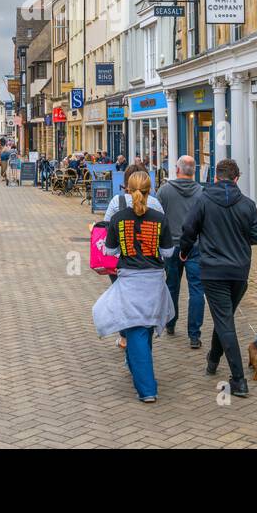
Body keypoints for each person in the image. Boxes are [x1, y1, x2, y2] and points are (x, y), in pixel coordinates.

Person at [179, 158, 257, 398]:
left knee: (225, 321)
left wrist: (184, 252)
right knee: (224, 316)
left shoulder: (203, 200)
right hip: (239, 271)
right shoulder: (247, 205)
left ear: (216, 177)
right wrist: (239, 236)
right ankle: (213, 360)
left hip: (213, 270)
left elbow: (188, 230)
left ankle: (239, 380)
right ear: (236, 178)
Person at [92, 170, 174, 403]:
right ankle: (138, 365)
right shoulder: (159, 218)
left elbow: (109, 251)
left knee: (135, 326)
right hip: (154, 279)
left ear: (127, 189)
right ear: (151, 191)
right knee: (145, 324)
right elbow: (168, 252)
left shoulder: (118, 219)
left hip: (129, 278)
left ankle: (147, 388)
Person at [158, 155, 207, 348]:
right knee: (197, 290)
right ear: (193, 171)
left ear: (177, 169)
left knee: (172, 285)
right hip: (195, 246)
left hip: (171, 246)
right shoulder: (202, 193)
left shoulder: (164, 191)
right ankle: (194, 335)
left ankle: (170, 322)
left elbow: (158, 219)